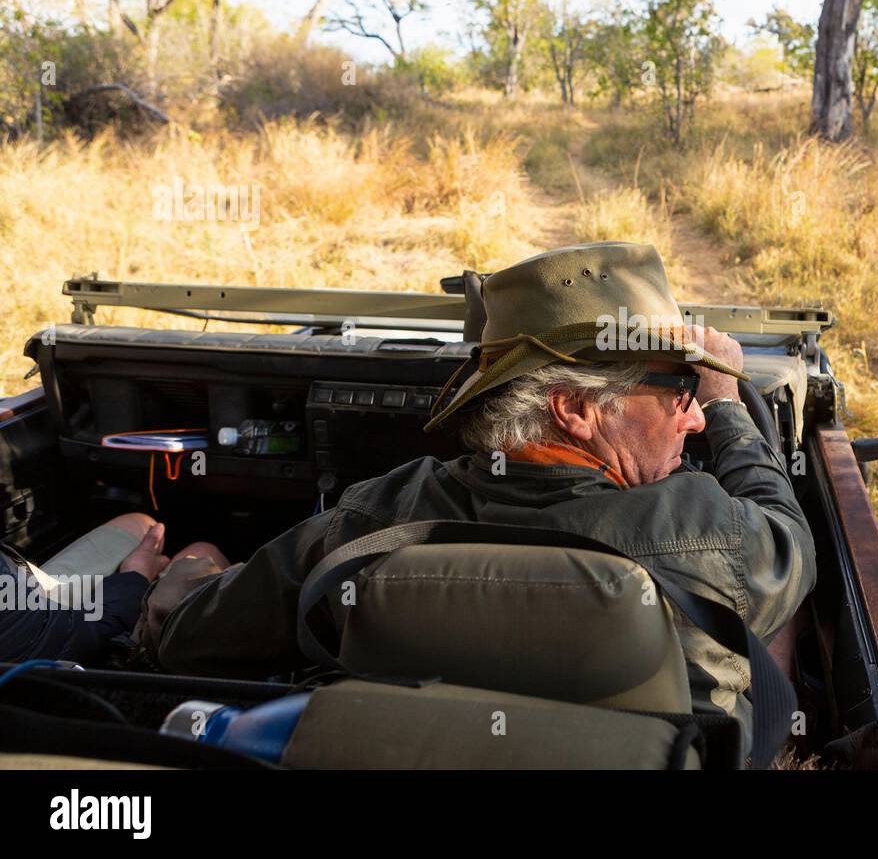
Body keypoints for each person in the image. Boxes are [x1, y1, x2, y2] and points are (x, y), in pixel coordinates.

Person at [140, 242, 817, 750]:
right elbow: (790, 534)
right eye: (681, 395)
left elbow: (187, 645)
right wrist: (731, 409)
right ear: (578, 409)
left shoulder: (375, 516)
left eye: (696, 401)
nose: (691, 418)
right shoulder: (716, 532)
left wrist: (183, 572)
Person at [0, 513, 227, 665]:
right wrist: (135, 577)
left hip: (23, 602)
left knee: (139, 523)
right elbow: (76, 642)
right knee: (203, 554)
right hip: (69, 647)